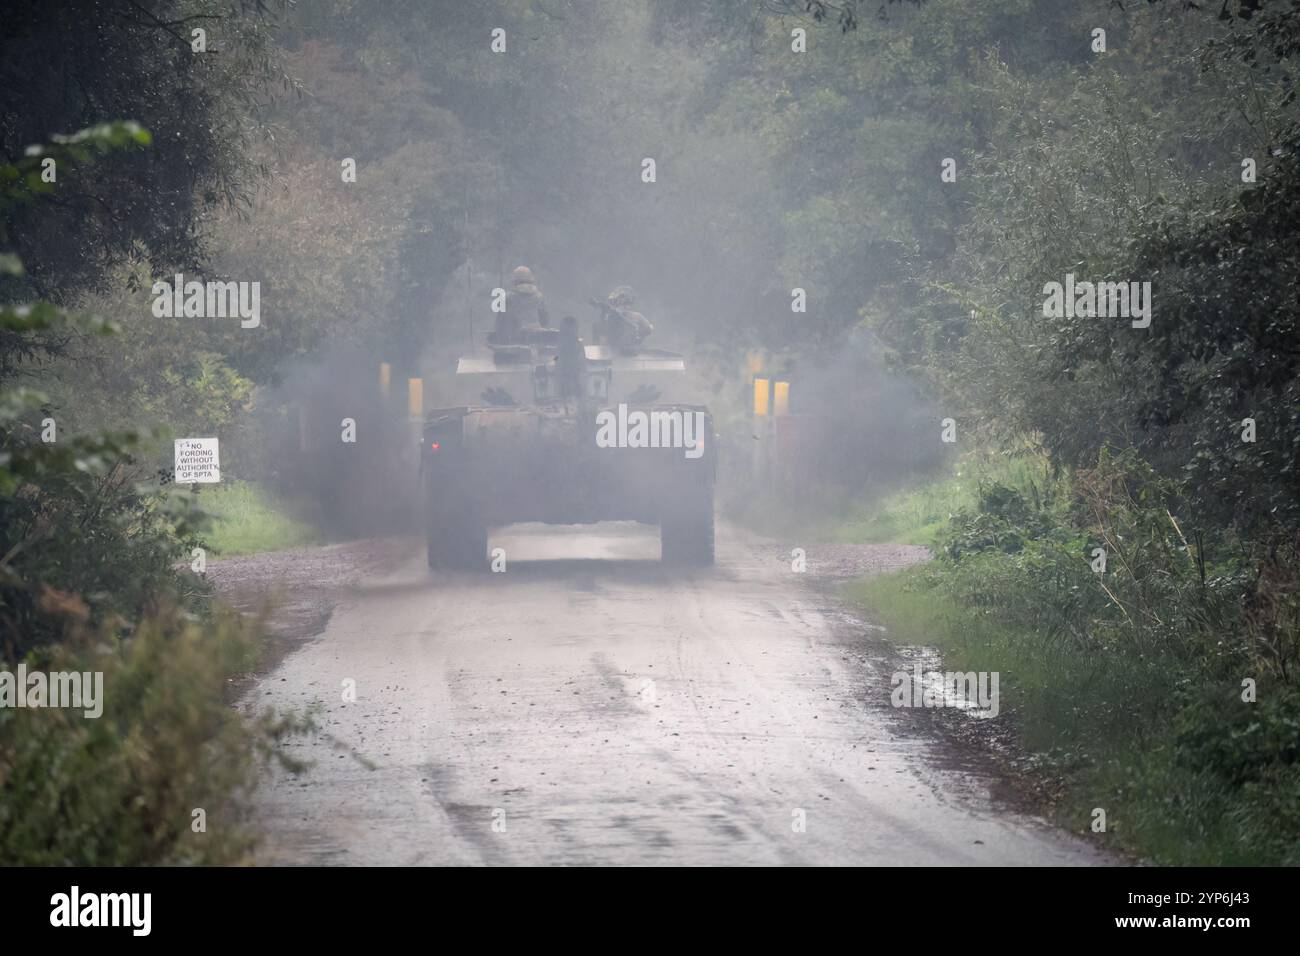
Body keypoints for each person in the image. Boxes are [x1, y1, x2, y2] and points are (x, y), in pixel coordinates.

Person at [493, 265, 551, 344]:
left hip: (513, 337)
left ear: (514, 280)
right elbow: (545, 320)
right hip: (536, 337)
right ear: (531, 279)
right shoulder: (539, 296)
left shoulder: (507, 297)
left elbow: (500, 322)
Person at [601, 285, 653, 351]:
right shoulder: (610, 317)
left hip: (632, 351)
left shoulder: (637, 316)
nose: (625, 307)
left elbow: (649, 329)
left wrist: (640, 336)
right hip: (614, 351)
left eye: (627, 304)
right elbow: (604, 336)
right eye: (623, 304)